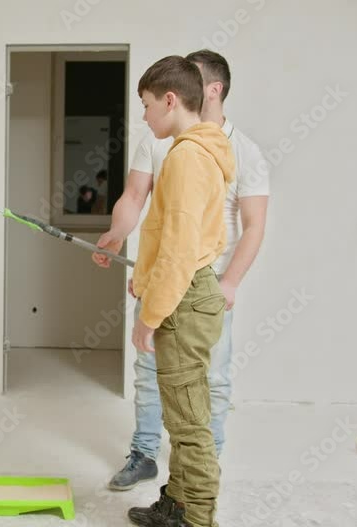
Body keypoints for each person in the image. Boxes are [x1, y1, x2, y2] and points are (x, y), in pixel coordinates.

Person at [94, 49, 270, 496]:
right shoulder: (160, 139)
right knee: (150, 371)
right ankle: (149, 456)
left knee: (209, 380)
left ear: (211, 90)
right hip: (164, 280)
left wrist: (228, 282)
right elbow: (136, 200)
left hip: (201, 284)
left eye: (150, 104)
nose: (146, 115)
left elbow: (250, 226)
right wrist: (118, 233)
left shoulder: (229, 152)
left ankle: (199, 474)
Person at [112, 54, 234, 527]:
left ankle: (197, 518)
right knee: (184, 416)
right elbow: (169, 237)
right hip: (188, 291)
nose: (143, 116)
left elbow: (181, 250)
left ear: (169, 99)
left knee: (188, 424)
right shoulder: (202, 149)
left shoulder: (185, 156)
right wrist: (144, 277)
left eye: (146, 105)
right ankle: (176, 505)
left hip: (184, 298)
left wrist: (149, 315)